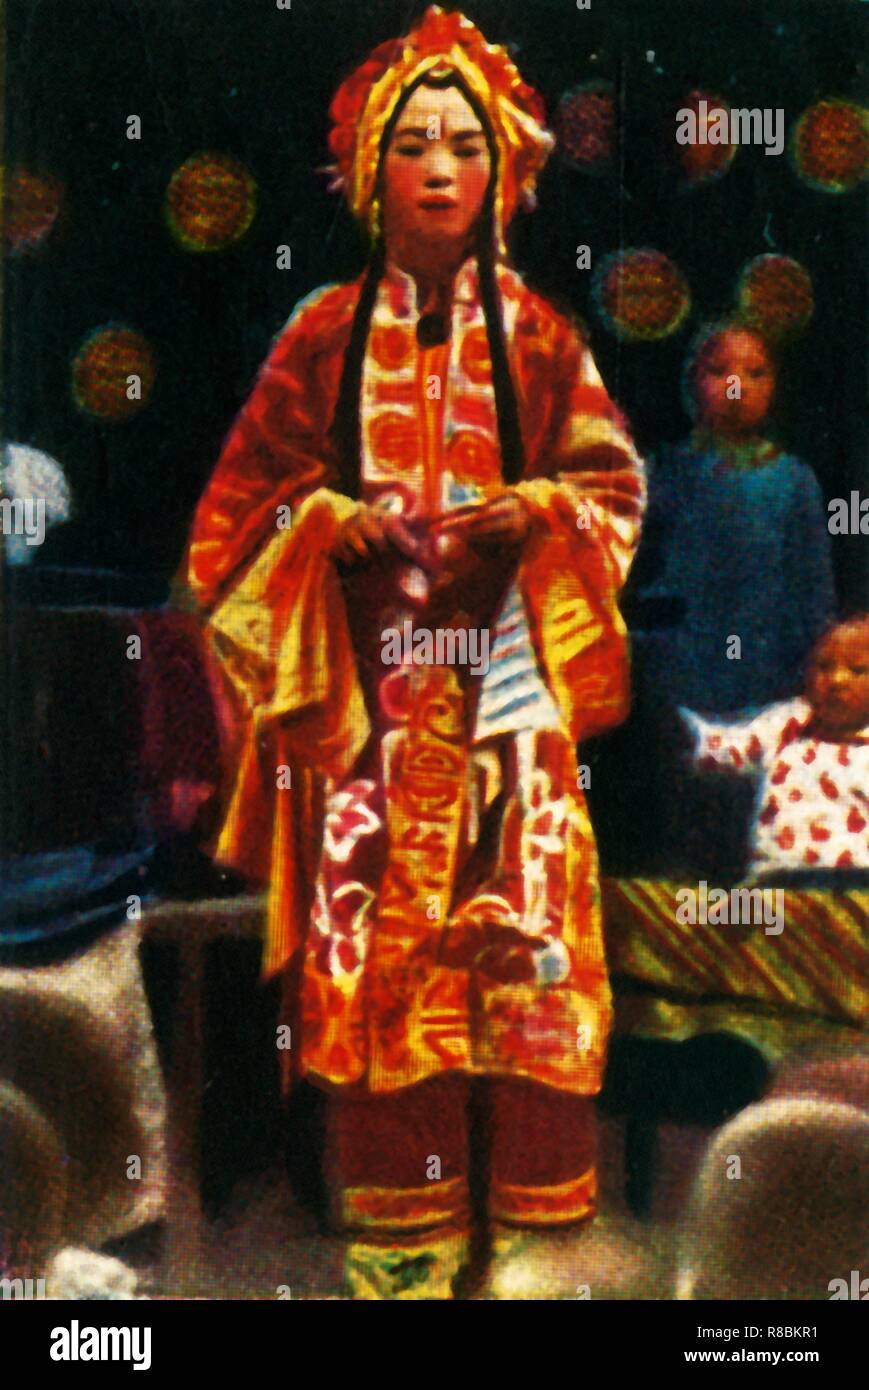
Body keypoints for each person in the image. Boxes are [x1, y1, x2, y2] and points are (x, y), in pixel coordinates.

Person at [181, 5, 644, 1299]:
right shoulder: (320, 335)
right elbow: (229, 524)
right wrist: (320, 519)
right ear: (370, 171)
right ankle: (399, 1256)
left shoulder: (546, 337)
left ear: (504, 174)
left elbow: (609, 491)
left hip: (509, 713)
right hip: (372, 717)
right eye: (415, 144)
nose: (441, 166)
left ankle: (537, 1263)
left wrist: (538, 512)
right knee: (385, 979)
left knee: (524, 973)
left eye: (467, 145)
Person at [621, 321, 835, 877]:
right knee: (677, 836)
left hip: (769, 690)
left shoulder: (794, 482)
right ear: (690, 382)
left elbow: (814, 596)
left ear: (776, 385)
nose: (736, 388)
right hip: (676, 686)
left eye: (754, 373)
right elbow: (629, 580)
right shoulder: (657, 475)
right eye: (719, 372)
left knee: (752, 832)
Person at [680, 614, 869, 887]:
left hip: (857, 883)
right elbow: (726, 749)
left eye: (858, 670)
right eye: (824, 667)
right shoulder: (790, 723)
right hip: (778, 878)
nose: (837, 680)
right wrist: (680, 729)